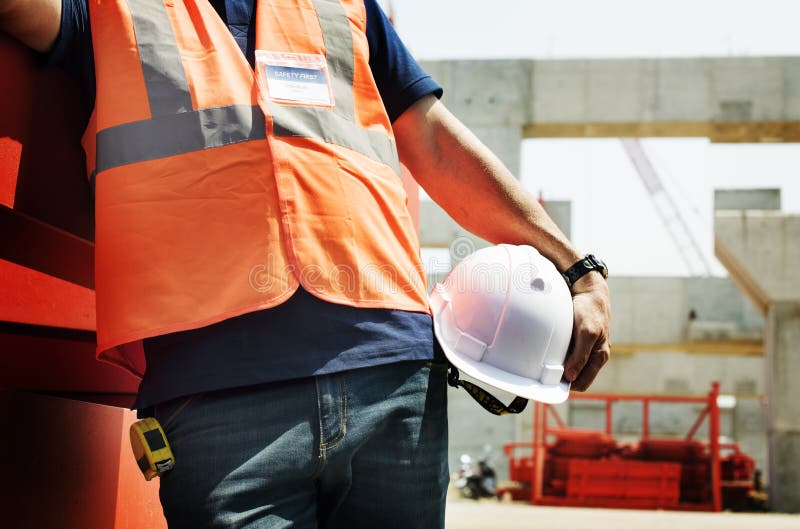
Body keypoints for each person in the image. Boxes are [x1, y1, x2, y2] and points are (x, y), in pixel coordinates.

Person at [0, 1, 612, 528]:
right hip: (220, 405)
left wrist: (576, 267)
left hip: (392, 378)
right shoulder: (105, 9)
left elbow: (433, 145)